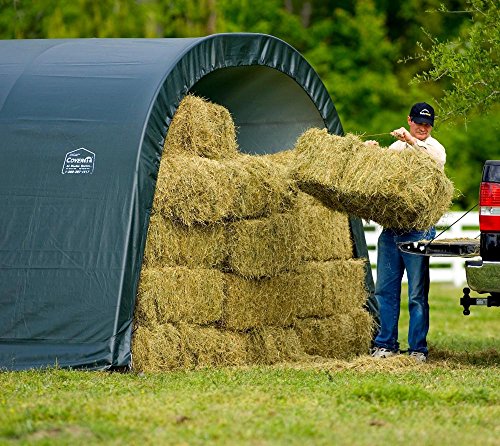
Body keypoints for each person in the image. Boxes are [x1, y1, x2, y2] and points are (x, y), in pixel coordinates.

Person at [367, 102, 446, 362]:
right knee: (385, 291)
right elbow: (380, 175)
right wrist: (371, 154)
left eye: (427, 124)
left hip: (419, 231)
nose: (423, 128)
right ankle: (385, 344)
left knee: (416, 294)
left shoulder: (435, 148)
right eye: (419, 123)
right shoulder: (396, 148)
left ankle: (417, 350)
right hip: (391, 231)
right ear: (409, 120)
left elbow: (432, 166)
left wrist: (411, 140)